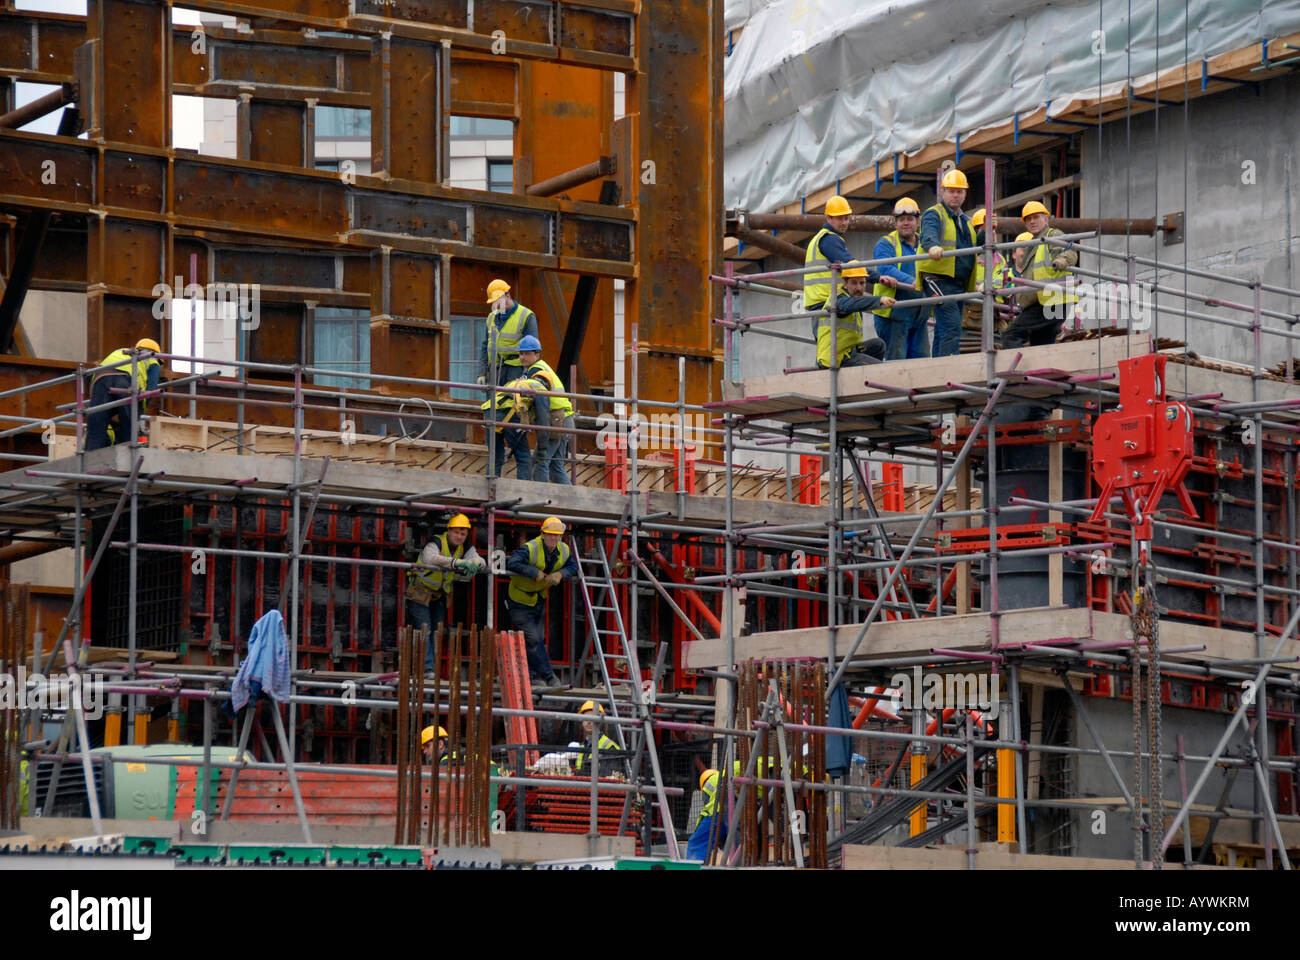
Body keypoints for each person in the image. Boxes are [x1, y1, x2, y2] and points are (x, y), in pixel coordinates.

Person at [505, 516, 577, 690]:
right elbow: (511, 562)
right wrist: (532, 572)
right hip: (519, 600)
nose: (554, 538)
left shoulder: (564, 550)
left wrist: (561, 574)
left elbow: (573, 567)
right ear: (542, 534)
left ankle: (530, 676)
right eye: (550, 534)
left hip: (538, 599)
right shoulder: (531, 548)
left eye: (557, 535)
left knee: (535, 640)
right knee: (534, 638)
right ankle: (549, 676)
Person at [406, 513, 486, 669]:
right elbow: (430, 558)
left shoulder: (465, 546)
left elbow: (480, 560)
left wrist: (476, 563)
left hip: (439, 596)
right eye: (456, 532)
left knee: (437, 633)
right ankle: (427, 668)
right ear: (448, 530)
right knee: (424, 630)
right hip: (419, 592)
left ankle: (431, 668)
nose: (459, 536)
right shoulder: (436, 541)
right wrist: (459, 563)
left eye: (463, 534)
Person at [916, 169, 978, 357]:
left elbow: (972, 245)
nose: (955, 195)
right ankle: (948, 369)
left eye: (959, 191)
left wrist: (986, 233)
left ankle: (937, 368)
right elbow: (928, 235)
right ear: (942, 192)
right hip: (937, 278)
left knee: (946, 327)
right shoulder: (934, 214)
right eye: (951, 190)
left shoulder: (965, 221)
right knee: (951, 326)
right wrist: (932, 246)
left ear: (965, 194)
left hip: (957, 282)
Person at [1004, 201, 1079, 349]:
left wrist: (1060, 261)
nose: (1032, 221)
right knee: (1041, 343)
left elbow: (1070, 252)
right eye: (1028, 219)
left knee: (1012, 334)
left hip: (1050, 301)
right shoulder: (1032, 244)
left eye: (1036, 217)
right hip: (1043, 302)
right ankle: (1037, 372)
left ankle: (1015, 369)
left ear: (1046, 219)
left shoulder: (1053, 234)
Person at [803, 194, 887, 313]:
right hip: (827, 300)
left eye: (846, 218)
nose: (844, 223)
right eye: (839, 218)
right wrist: (878, 277)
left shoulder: (822, 238)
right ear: (828, 218)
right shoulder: (829, 239)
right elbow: (851, 266)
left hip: (820, 301)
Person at [872, 198, 931, 360]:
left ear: (917, 222)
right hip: (894, 314)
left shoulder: (925, 244)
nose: (906, 223)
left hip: (919, 314)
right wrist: (913, 281)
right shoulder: (886, 243)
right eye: (902, 220)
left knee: (922, 363)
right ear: (895, 223)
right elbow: (885, 268)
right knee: (897, 364)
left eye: (910, 219)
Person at [86, 338, 164, 451]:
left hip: (100, 380)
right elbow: (150, 389)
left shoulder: (121, 351)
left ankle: (91, 454)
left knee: (97, 422)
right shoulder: (151, 359)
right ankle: (127, 453)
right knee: (129, 423)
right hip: (124, 381)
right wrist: (140, 408)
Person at [517, 335, 574, 485]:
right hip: (564, 419)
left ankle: (541, 497)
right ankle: (569, 499)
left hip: (557, 419)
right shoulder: (542, 367)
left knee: (540, 462)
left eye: (527, 353)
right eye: (521, 353)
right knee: (556, 465)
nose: (523, 357)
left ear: (537, 354)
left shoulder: (536, 370)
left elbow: (535, 400)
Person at [814, 267, 892, 369]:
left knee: (878, 345)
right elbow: (847, 305)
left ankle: (865, 378)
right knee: (882, 369)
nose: (859, 288)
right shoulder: (839, 298)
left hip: (849, 351)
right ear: (845, 284)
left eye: (862, 283)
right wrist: (879, 299)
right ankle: (871, 374)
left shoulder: (852, 298)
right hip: (837, 358)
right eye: (854, 283)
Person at [481, 372, 544, 479]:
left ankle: (489, 488)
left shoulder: (515, 382)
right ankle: (523, 491)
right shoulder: (540, 388)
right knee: (523, 456)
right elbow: (542, 413)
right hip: (509, 413)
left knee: (495, 456)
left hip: (490, 412)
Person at [478, 279, 539, 387]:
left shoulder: (526, 316)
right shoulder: (491, 318)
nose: (497, 305)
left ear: (508, 296)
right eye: (494, 302)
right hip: (495, 372)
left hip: (516, 371)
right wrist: (482, 372)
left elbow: (533, 349)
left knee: (510, 402)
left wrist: (526, 374)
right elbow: (485, 346)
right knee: (492, 403)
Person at [574, 700, 627, 778]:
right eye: (585, 718)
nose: (588, 722)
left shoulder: (610, 747)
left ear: (600, 721)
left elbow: (610, 778)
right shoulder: (581, 747)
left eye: (593, 718)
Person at [687, 767, 725, 860]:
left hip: (718, 813)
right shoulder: (723, 776)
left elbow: (708, 804)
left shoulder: (708, 785)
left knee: (696, 844)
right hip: (739, 811)